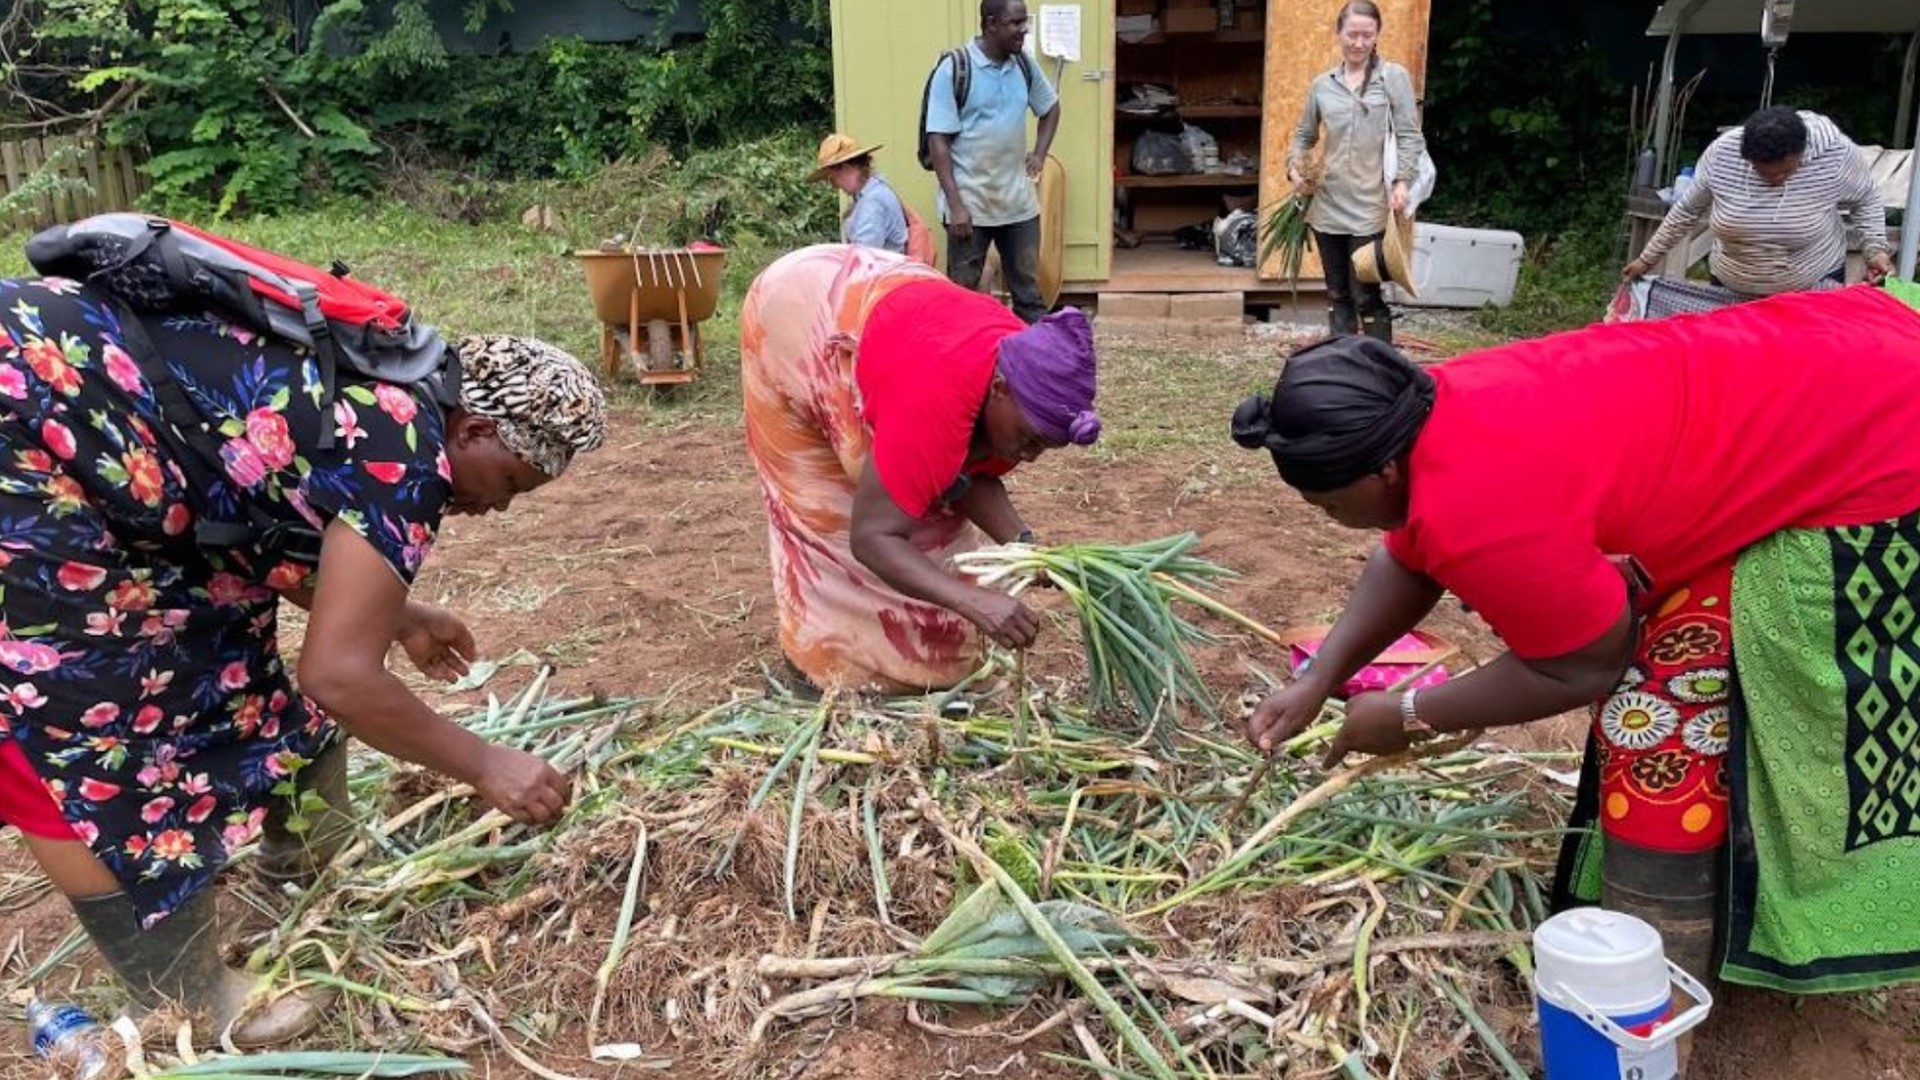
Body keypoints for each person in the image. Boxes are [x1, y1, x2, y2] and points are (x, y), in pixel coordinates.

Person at [1230, 287, 1920, 1010]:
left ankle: (1658, 981)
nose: (1333, 520)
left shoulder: (1483, 502)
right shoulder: (1430, 406)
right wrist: (1320, 680)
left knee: (1664, 707)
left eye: (1331, 507)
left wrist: (1404, 713)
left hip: (1878, 430)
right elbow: (1408, 555)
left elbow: (1583, 663)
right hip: (1830, 352)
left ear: (1383, 473)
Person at [0, 276, 607, 1045]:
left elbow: (256, 508)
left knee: (220, 630)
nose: (500, 506)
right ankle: (180, 991)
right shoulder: (408, 454)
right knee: (83, 709)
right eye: (513, 482)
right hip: (26, 420)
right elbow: (339, 677)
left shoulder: (392, 383)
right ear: (477, 428)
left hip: (78, 412)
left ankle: (303, 867)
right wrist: (487, 763)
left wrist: (399, 615)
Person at [740, 243, 1099, 693]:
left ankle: (926, 668)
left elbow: (970, 471)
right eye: (1029, 440)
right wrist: (975, 602)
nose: (1029, 456)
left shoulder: (1018, 376)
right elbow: (871, 538)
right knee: (832, 508)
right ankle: (823, 667)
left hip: (905, 314)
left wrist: (1026, 548)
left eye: (1045, 447)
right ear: (1001, 389)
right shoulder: (937, 394)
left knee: (930, 517)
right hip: (799, 310)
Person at [1625, 107, 1893, 295]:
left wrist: (1875, 251)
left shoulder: (1836, 155)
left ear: (1802, 152)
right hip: (1731, 286)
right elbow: (1686, 210)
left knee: (1799, 368)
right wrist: (1646, 259)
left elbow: (1866, 199)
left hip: (1812, 287)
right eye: (1764, 173)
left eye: (1786, 172)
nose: (1775, 179)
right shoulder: (1722, 155)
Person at [1285, 0, 1425, 343]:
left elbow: (1410, 135)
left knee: (1366, 294)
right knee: (1336, 293)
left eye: (1367, 35)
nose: (1359, 43)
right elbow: (1304, 135)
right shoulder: (1322, 85)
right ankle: (1342, 368)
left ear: (1377, 35)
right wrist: (1295, 168)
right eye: (1352, 34)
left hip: (1371, 206)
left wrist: (1403, 182)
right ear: (1339, 33)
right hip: (1327, 204)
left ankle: (1379, 368)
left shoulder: (1393, 78)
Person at [925, 0, 1061, 324]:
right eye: (1015, 23)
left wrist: (1039, 154)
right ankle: (966, 370)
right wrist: (956, 206)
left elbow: (1051, 108)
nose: (1024, 29)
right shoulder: (955, 68)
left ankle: (1034, 368)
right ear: (991, 24)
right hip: (970, 207)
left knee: (1028, 295)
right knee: (963, 296)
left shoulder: (1024, 65)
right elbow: (938, 141)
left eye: (1024, 22)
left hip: (1017, 204)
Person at [809, 132, 909, 255]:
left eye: (832, 179)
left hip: (883, 272)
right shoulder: (873, 191)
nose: (835, 186)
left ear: (846, 168)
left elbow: (863, 257)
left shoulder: (872, 202)